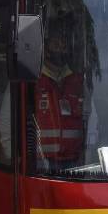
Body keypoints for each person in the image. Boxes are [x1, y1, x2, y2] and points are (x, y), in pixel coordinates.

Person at [35, 20, 85, 164]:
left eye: (64, 45)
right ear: (45, 47)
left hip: (75, 163)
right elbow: (8, 119)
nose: (60, 49)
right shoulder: (31, 81)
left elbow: (92, 120)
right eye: (55, 44)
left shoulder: (78, 82)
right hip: (38, 164)